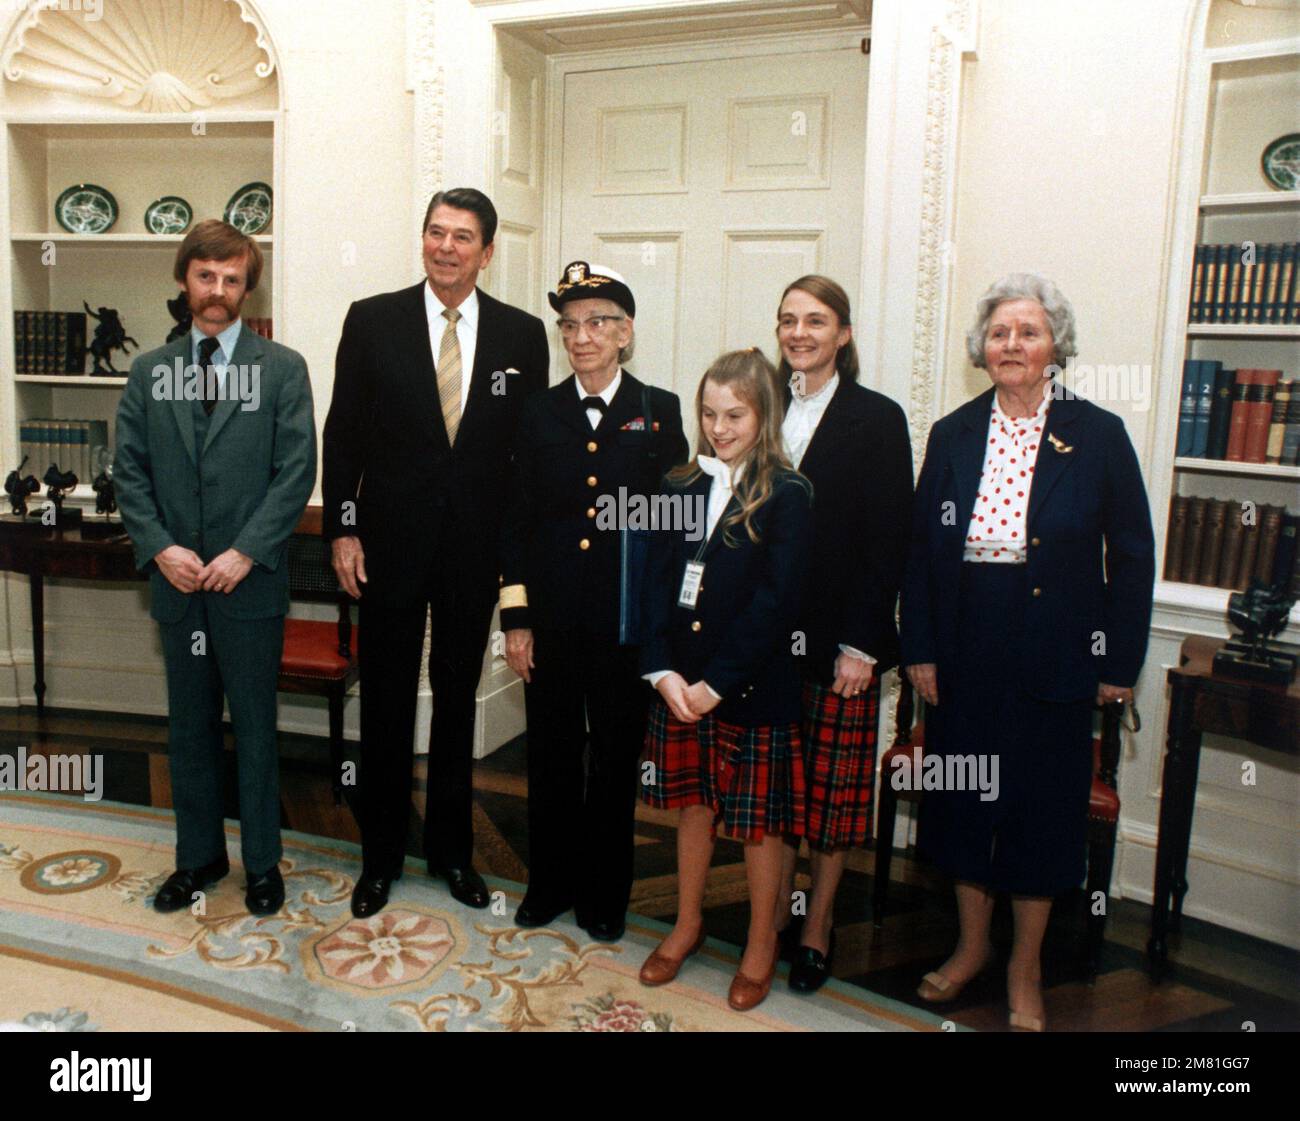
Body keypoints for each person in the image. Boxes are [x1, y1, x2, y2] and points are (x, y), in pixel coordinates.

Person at [900, 273, 1155, 1031]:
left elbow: (1133, 555)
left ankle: (1025, 968)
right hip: (965, 649)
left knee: (1040, 817)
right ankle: (972, 948)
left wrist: (1118, 662)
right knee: (967, 809)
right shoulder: (951, 431)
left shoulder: (1099, 433)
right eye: (1000, 333)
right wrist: (919, 646)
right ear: (982, 348)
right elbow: (920, 553)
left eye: (1029, 332)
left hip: (1057, 654)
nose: (1012, 344)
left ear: (1055, 347)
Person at [322, 188, 549, 918]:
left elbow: (526, 458)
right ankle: (379, 856)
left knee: (456, 703)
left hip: (472, 554)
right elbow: (343, 435)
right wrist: (343, 529)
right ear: (422, 240)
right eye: (435, 232)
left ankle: (451, 852)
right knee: (384, 699)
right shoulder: (372, 319)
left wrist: (516, 561)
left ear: (487, 252)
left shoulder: (521, 335)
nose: (446, 247)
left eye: (463, 237)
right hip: (386, 547)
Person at [114, 219, 317, 917]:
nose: (219, 292)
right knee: (189, 729)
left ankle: (263, 863)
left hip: (247, 586)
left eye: (233, 279)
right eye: (207, 276)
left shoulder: (283, 368)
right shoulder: (149, 371)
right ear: (184, 280)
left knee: (256, 727)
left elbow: (295, 473)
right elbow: (129, 471)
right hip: (176, 584)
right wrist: (162, 547)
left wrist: (244, 552)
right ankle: (197, 857)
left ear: (246, 286)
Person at [500, 262, 687, 941]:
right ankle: (548, 882)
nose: (582, 337)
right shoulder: (537, 412)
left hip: (623, 624)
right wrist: (516, 619)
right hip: (550, 623)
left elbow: (674, 524)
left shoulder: (658, 410)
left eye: (598, 322)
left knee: (612, 763)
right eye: (571, 324)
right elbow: (515, 520)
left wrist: (661, 626)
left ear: (625, 333)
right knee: (548, 757)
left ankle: (605, 894)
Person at [637, 348, 812, 1012]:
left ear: (763, 413)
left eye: (734, 414)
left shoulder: (789, 495)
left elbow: (777, 603)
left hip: (750, 686)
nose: (719, 427)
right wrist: (662, 672)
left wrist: (715, 683)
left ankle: (760, 946)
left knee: (759, 824)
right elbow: (654, 584)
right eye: (709, 413)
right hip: (681, 684)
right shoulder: (679, 485)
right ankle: (686, 923)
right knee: (693, 807)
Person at [772, 276, 913, 992]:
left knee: (830, 797)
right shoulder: (761, 407)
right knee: (776, 791)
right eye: (789, 320)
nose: (800, 333)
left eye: (816, 320)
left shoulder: (877, 418)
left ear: (844, 334)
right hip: (764, 642)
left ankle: (819, 921)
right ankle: (777, 908)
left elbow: (890, 541)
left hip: (838, 647)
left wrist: (862, 643)